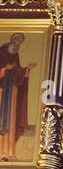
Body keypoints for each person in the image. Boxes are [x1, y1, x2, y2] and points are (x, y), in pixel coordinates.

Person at [0, 32, 32, 162]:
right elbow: (6, 68)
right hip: (1, 91)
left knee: (10, 120)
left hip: (11, 91)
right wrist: (4, 69)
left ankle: (8, 152)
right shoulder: (2, 51)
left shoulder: (15, 54)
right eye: (17, 40)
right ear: (12, 40)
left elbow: (17, 70)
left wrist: (26, 70)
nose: (18, 43)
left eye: (20, 42)